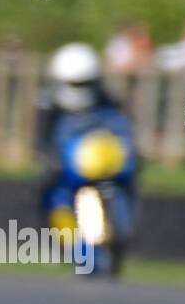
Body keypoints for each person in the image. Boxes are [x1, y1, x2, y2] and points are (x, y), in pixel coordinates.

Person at [34, 42, 132, 230]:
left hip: (98, 163)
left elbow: (121, 130)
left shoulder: (106, 101)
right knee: (44, 187)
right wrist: (49, 159)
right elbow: (41, 140)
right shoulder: (48, 103)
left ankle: (121, 227)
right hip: (67, 164)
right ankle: (49, 228)